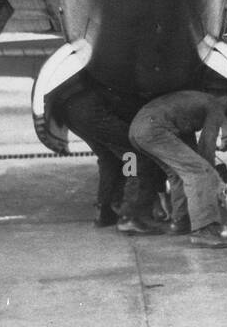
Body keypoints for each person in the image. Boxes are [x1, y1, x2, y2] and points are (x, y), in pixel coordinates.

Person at [129, 90, 227, 244]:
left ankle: (181, 221)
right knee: (199, 172)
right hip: (154, 129)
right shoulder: (216, 104)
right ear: (226, 100)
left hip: (138, 129)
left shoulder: (192, 100)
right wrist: (214, 180)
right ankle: (204, 229)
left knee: (177, 172)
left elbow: (189, 144)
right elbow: (207, 146)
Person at [57, 86, 164, 234]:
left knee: (109, 158)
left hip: (72, 109)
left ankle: (105, 212)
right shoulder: (154, 101)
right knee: (135, 155)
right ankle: (131, 216)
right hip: (93, 111)